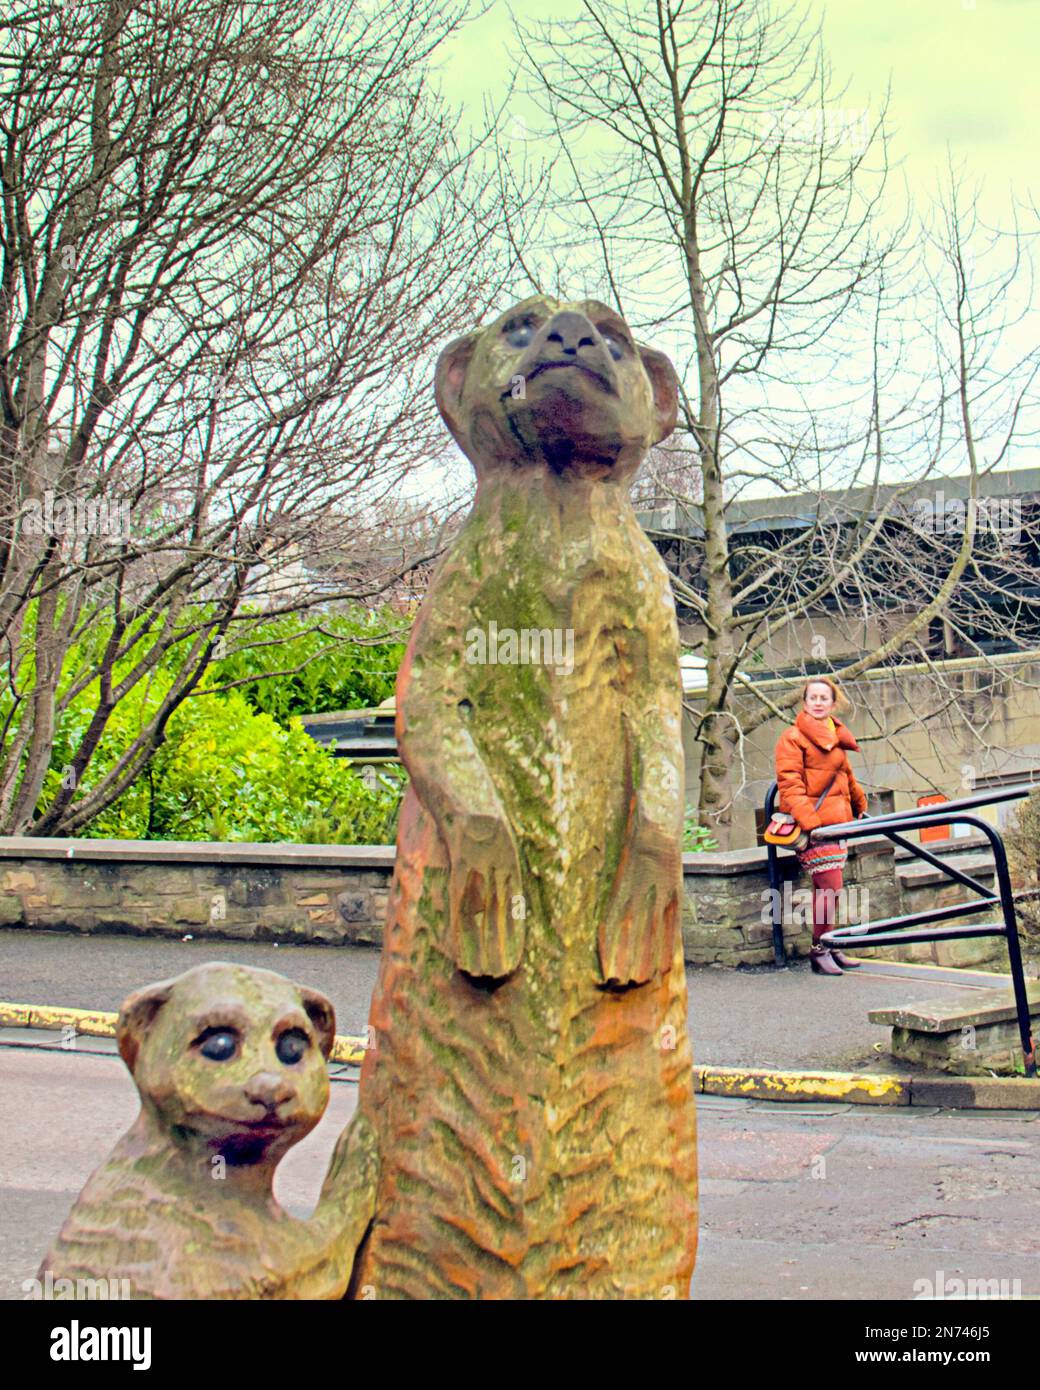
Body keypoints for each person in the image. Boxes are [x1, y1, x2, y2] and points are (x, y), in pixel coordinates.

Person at [775, 676, 869, 976]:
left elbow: (846, 777)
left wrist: (860, 806)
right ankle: (819, 950)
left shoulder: (836, 734)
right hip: (816, 827)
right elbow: (789, 786)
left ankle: (830, 943)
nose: (818, 703)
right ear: (804, 703)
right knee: (830, 887)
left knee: (828, 890)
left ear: (833, 703)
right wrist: (812, 824)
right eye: (812, 698)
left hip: (838, 823)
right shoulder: (792, 738)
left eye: (823, 698)